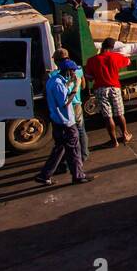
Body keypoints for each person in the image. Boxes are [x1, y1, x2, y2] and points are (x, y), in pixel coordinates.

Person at [36, 55, 93, 187]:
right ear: (67, 71)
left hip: (57, 121)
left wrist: (69, 84)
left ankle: (45, 175)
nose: (74, 73)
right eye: (72, 71)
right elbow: (66, 102)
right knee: (74, 149)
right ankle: (78, 176)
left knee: (59, 149)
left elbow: (61, 92)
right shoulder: (58, 84)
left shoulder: (55, 80)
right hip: (66, 122)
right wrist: (76, 86)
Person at [85, 37, 132, 147]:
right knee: (119, 113)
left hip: (100, 89)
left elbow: (89, 77)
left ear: (102, 47)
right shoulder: (115, 57)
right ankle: (125, 135)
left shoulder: (92, 60)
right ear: (111, 48)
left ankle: (114, 141)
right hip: (114, 88)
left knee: (108, 116)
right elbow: (128, 61)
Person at [52, 48, 90, 166]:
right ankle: (84, 154)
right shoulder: (78, 70)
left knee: (68, 134)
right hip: (77, 103)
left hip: (66, 106)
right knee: (80, 129)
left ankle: (69, 160)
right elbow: (83, 86)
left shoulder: (54, 75)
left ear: (57, 61)